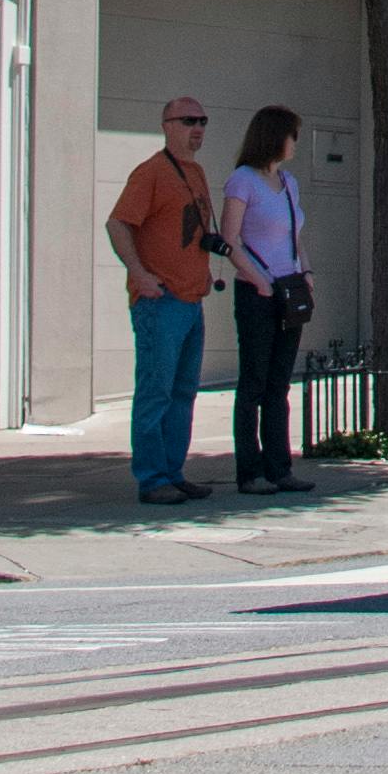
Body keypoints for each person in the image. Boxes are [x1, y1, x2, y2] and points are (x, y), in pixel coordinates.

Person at [106, 94, 220, 505]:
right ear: (167, 125)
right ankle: (152, 477)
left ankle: (173, 470)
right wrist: (140, 273)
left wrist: (203, 270)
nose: (198, 128)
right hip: (161, 300)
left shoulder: (196, 173)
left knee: (183, 391)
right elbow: (118, 223)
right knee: (156, 390)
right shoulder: (151, 173)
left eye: (203, 121)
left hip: (191, 301)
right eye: (190, 120)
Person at [218, 106, 319, 500]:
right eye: (292, 134)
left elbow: (296, 238)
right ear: (275, 136)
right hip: (257, 293)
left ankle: (281, 468)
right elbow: (230, 239)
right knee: (254, 383)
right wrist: (259, 280)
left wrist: (307, 274)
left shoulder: (289, 182)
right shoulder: (242, 181)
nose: (295, 142)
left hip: (289, 291)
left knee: (279, 384)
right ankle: (250, 472)